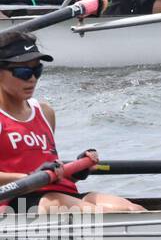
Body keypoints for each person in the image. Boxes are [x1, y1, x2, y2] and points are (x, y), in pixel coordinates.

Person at [0, 32, 142, 214]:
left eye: (37, 70)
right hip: (14, 202)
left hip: (57, 194)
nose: (32, 79)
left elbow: (49, 168)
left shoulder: (45, 112)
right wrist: (30, 177)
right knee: (101, 215)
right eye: (23, 72)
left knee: (133, 210)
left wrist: (73, 173)